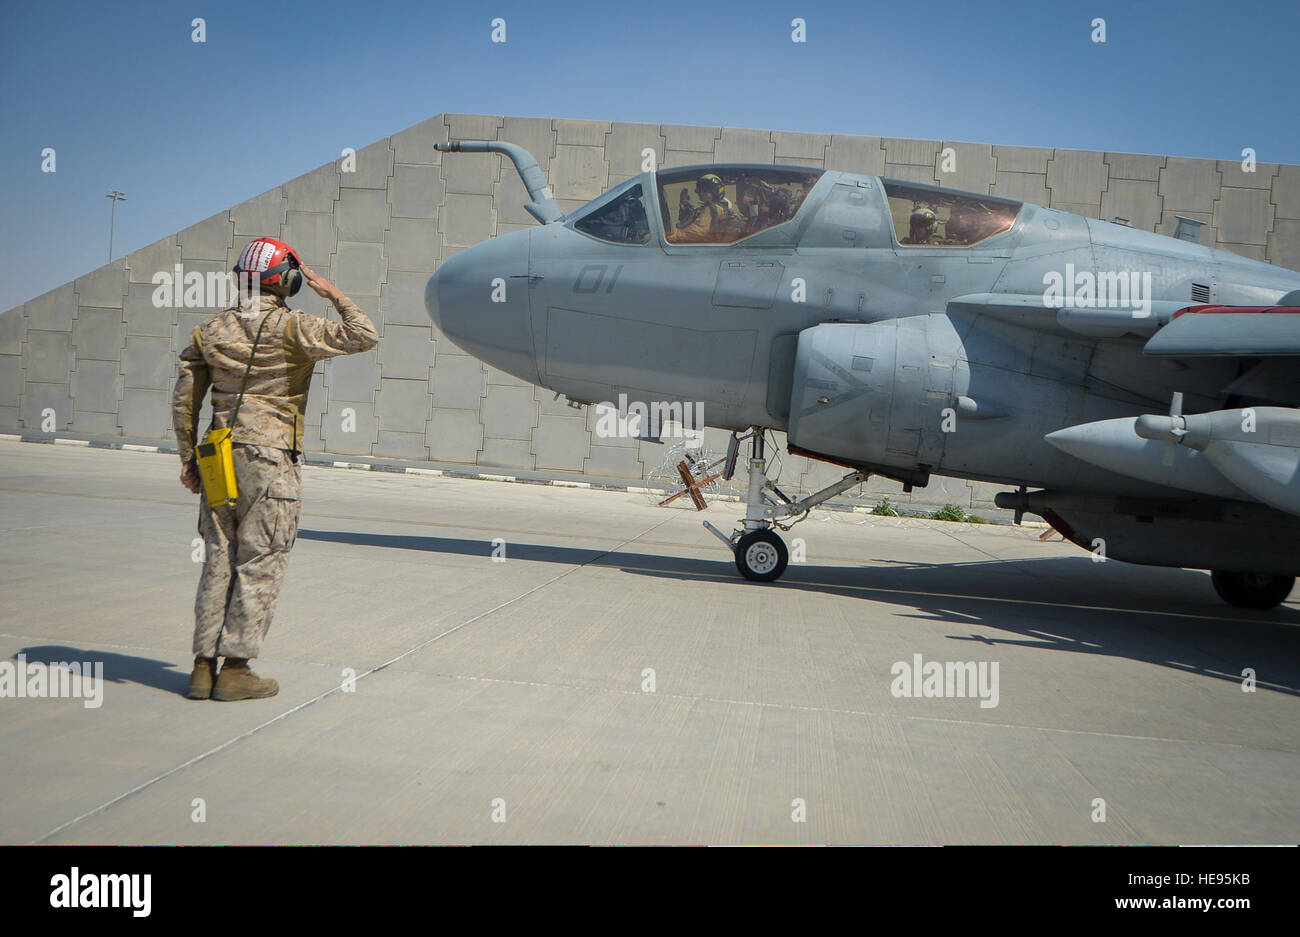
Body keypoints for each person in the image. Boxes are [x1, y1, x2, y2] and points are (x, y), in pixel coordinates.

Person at [172, 236, 378, 701]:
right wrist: (333, 295)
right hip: (269, 458)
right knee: (261, 558)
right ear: (285, 280)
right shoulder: (296, 327)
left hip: (217, 457)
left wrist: (188, 458)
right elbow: (364, 336)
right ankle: (236, 668)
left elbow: (185, 400)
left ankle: (202, 667)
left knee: (218, 558)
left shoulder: (209, 332)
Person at [671, 173, 744, 243]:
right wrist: (684, 203)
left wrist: (673, 236)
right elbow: (692, 221)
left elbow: (699, 231)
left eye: (705, 191)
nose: (701, 194)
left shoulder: (711, 209)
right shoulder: (722, 207)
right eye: (700, 191)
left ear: (715, 192)